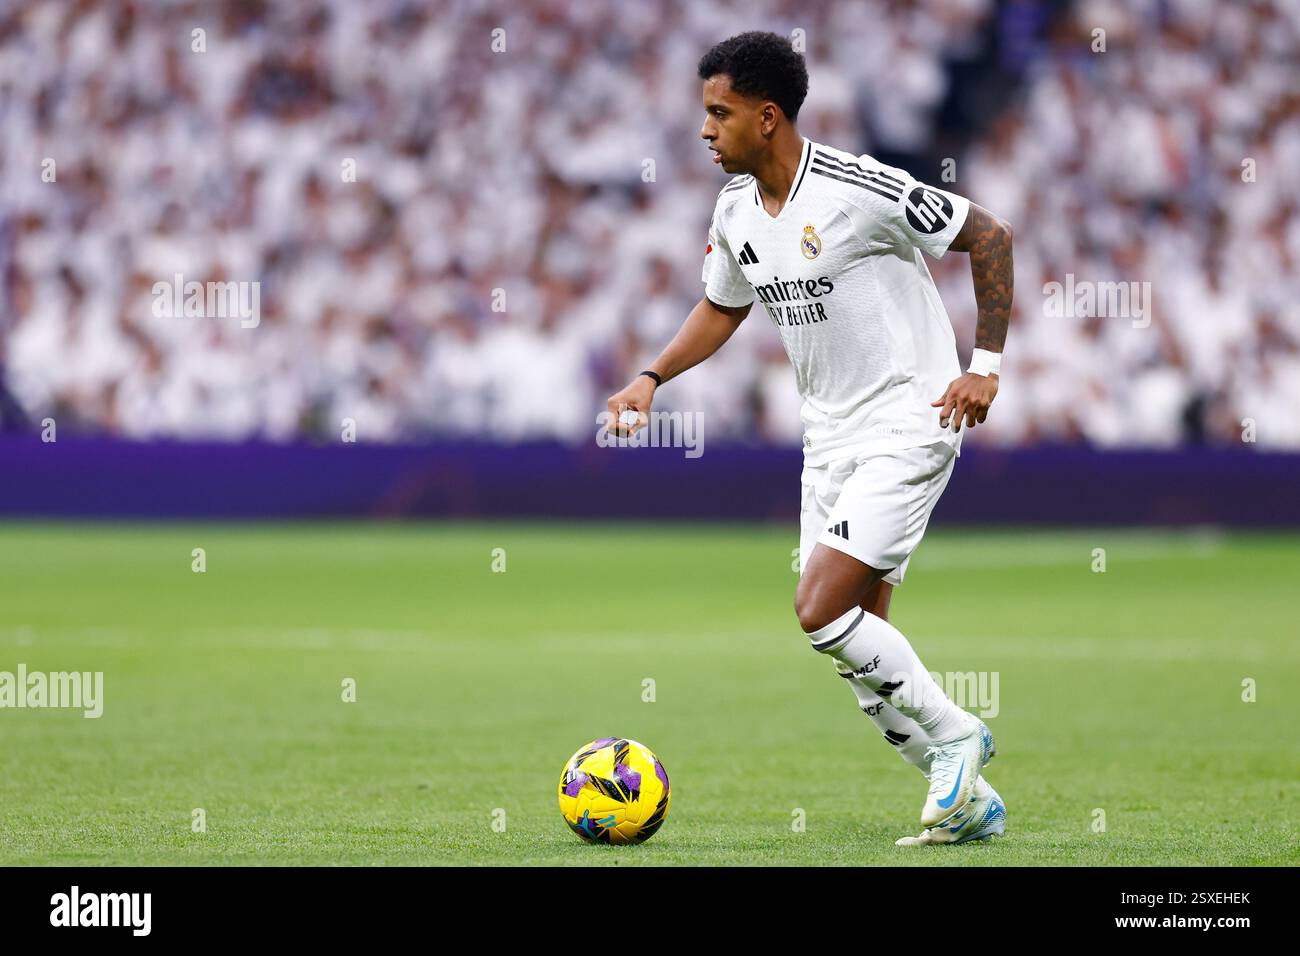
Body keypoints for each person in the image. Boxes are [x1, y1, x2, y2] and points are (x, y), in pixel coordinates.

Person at [605, 31, 1015, 845]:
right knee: (862, 656)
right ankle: (970, 805)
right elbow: (723, 308)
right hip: (827, 439)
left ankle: (963, 736)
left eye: (718, 113)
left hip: (911, 415)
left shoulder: (856, 188)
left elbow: (990, 236)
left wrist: (986, 366)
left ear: (767, 117)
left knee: (817, 609)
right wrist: (650, 378)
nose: (704, 129)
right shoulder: (734, 212)